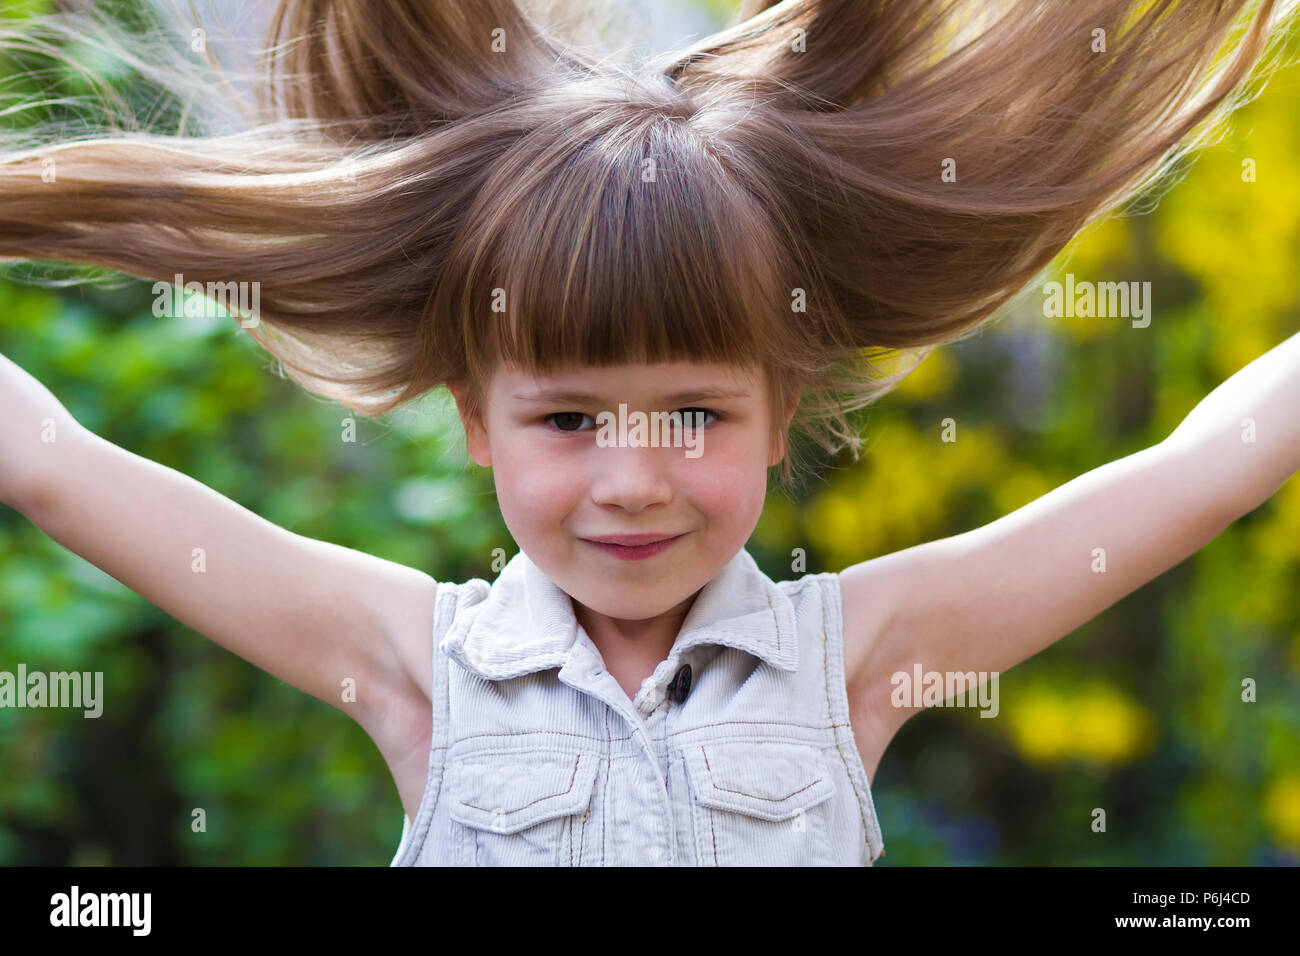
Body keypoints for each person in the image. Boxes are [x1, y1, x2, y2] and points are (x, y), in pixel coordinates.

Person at [1, 0, 1297, 866]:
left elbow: (1203, 472)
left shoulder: (855, 664)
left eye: (693, 413)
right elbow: (54, 467)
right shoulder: (414, 668)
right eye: (567, 417)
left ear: (780, 414)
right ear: (475, 424)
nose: (632, 481)